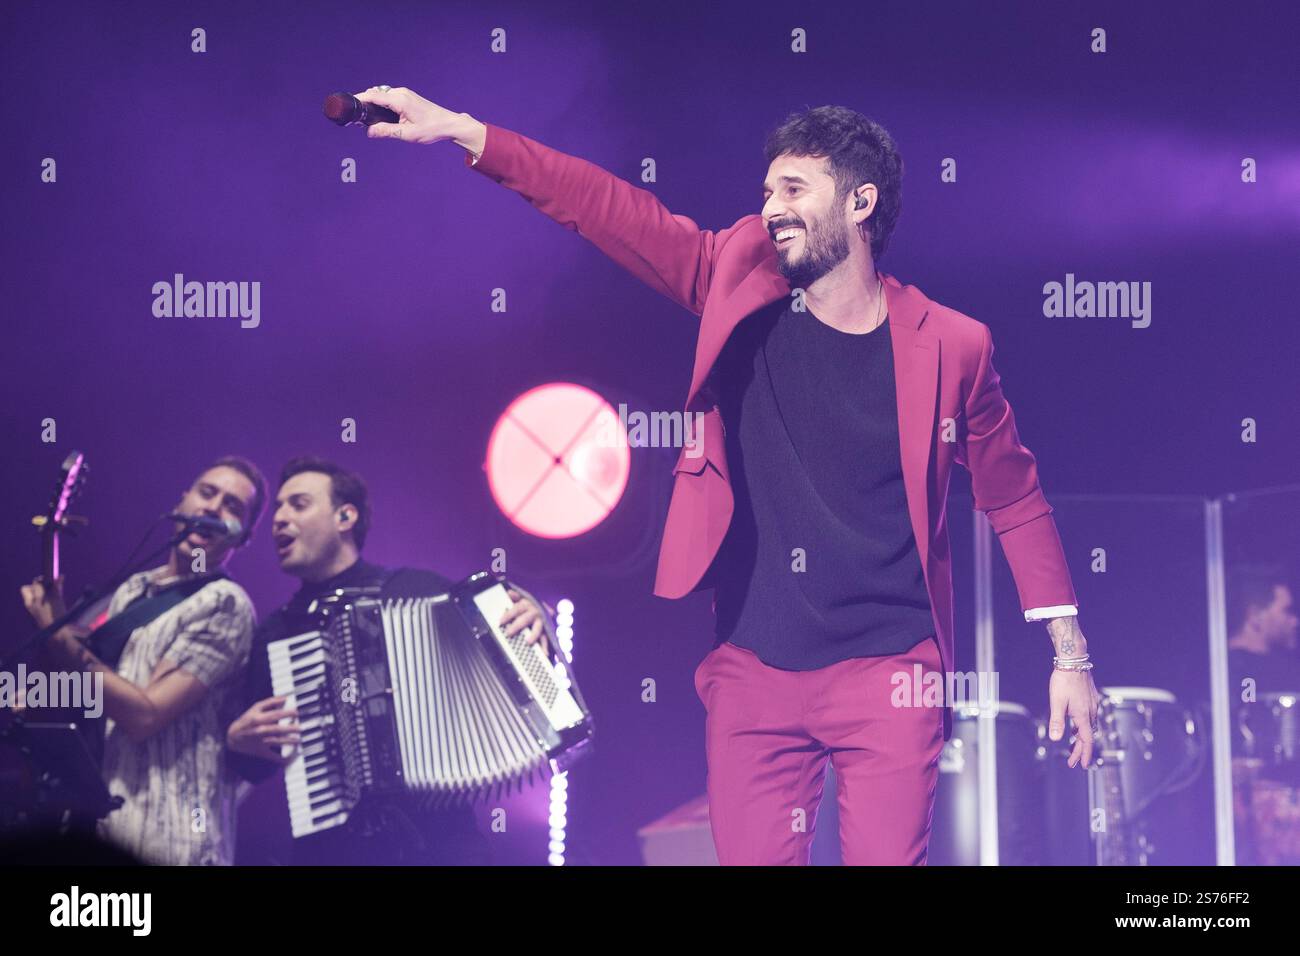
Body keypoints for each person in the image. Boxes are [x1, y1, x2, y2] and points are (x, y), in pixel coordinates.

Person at [350, 86, 1101, 865]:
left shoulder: (952, 345)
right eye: (766, 189)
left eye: (793, 188)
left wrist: (1069, 656)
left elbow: (1014, 498)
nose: (770, 207)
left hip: (889, 671)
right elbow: (603, 205)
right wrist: (466, 132)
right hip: (752, 669)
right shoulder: (736, 276)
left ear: (860, 202)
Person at [226, 456, 549, 865]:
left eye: (299, 504)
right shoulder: (277, 632)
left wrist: (533, 613)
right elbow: (254, 766)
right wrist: (237, 741)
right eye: (278, 508)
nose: (279, 519)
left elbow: (519, 654)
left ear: (345, 516)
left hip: (442, 846)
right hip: (335, 853)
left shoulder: (419, 589)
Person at [20, 456, 266, 865]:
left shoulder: (225, 605)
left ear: (242, 538)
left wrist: (62, 640)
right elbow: (102, 693)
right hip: (110, 823)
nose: (213, 508)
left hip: (176, 841)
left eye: (232, 506)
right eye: (206, 493)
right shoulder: (133, 589)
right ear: (181, 500)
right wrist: (43, 692)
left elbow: (145, 715)